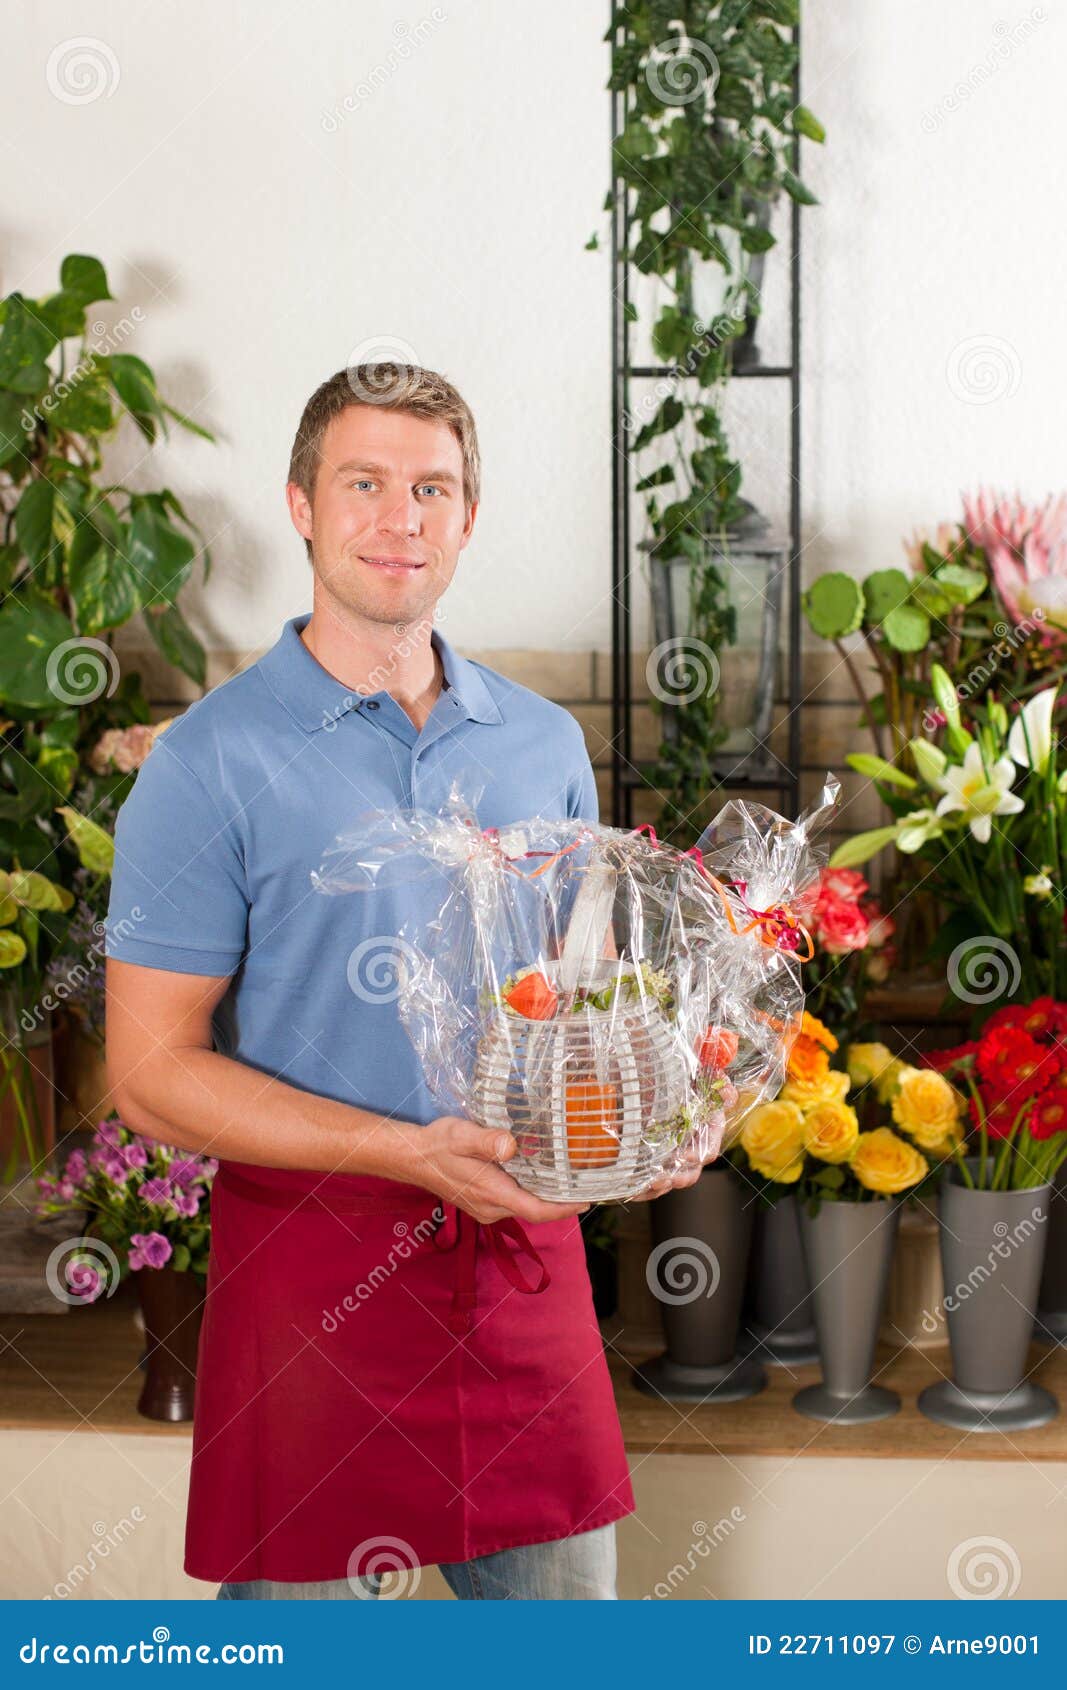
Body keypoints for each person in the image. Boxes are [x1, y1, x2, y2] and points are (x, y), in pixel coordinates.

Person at [104, 363, 706, 1601]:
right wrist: (404, 1151)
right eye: (364, 483)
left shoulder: (541, 741)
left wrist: (645, 1115)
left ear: (467, 518)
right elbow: (151, 1074)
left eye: (432, 487)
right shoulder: (208, 761)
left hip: (519, 1266)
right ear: (302, 507)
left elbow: (571, 1006)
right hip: (315, 1292)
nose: (401, 516)